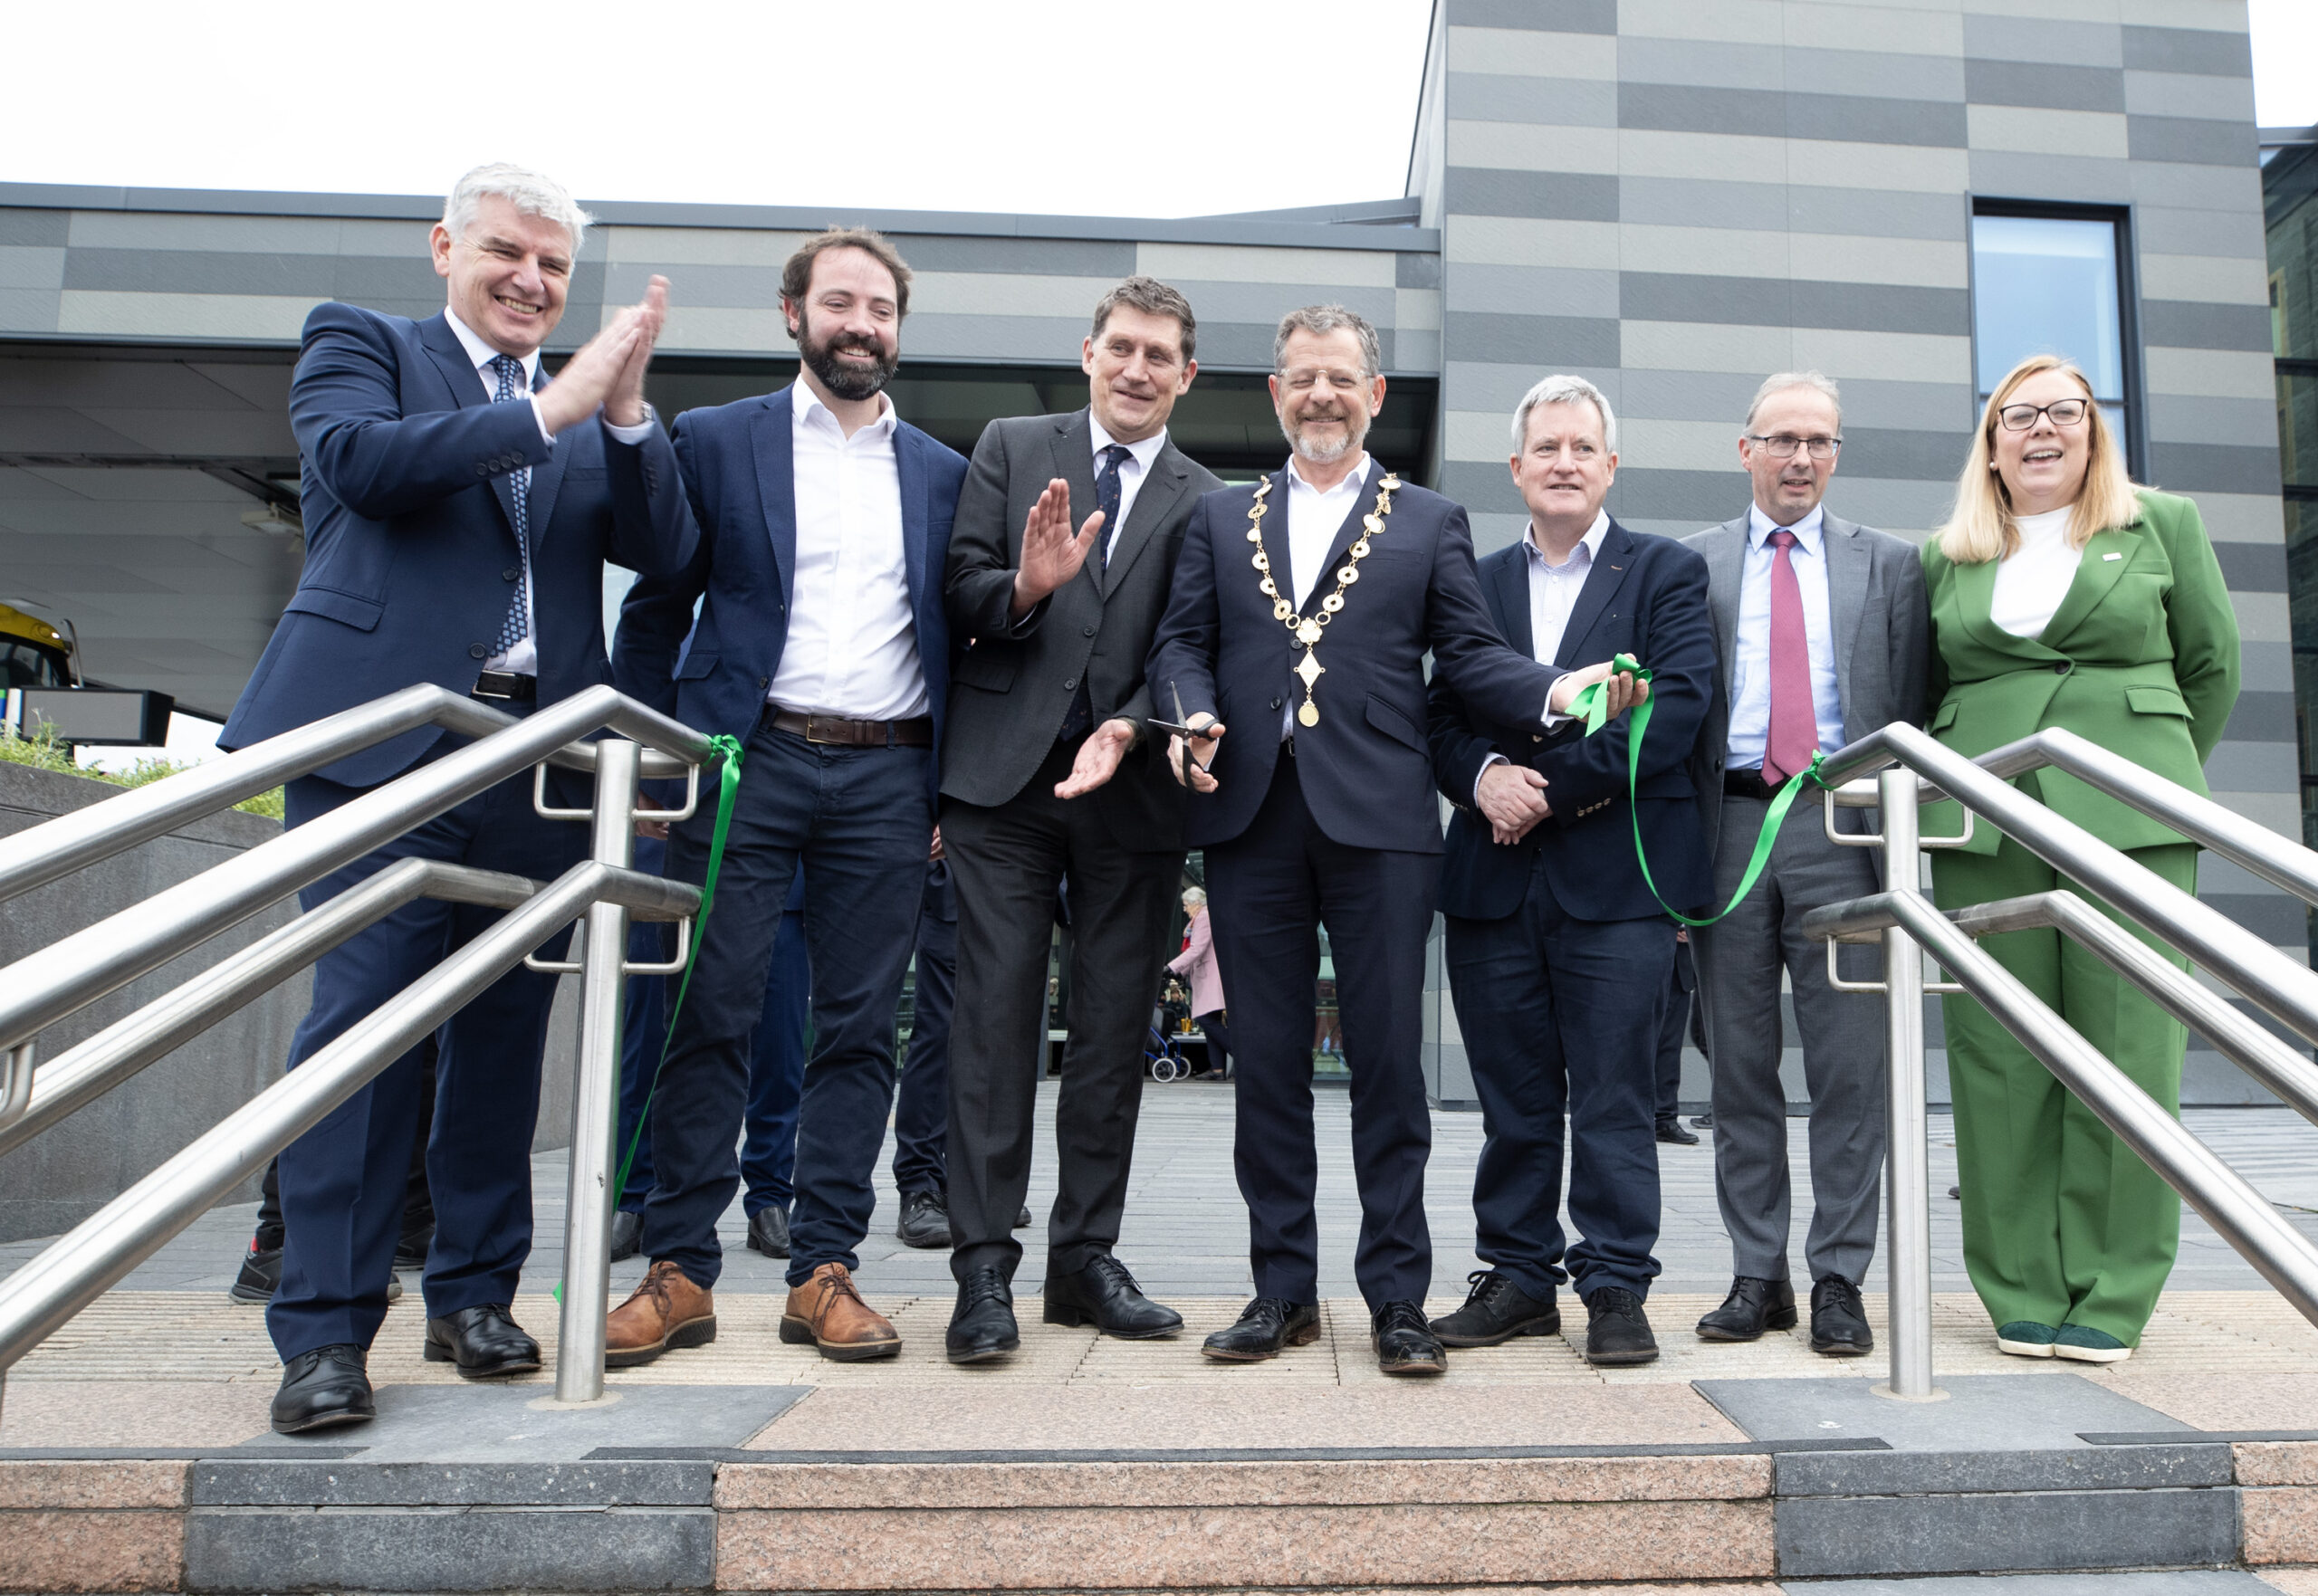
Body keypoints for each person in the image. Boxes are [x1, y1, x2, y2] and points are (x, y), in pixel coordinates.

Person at [218, 163, 694, 1433]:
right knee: (365, 1039)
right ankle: (323, 1331)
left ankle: (477, 1293)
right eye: (507, 252)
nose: (531, 280)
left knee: (499, 1047)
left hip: (532, 764)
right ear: (444, 246)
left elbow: (668, 548)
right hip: (384, 750)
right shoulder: (359, 345)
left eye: (551, 264)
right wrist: (552, 413)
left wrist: (628, 413)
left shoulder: (588, 408)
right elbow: (364, 467)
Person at [1147, 311, 1637, 1379]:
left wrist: (1557, 688)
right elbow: (1183, 639)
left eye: (1343, 378)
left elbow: (1465, 653)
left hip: (1380, 822)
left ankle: (1396, 1299)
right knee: (1265, 1068)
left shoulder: (1428, 520)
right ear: (1277, 391)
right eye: (1303, 378)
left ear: (1374, 393)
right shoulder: (1216, 514)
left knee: (1386, 1072)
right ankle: (1281, 1291)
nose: (1321, 395)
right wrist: (1186, 712)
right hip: (1250, 818)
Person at [607, 226, 966, 1365]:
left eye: (882, 309)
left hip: (890, 771)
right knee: (708, 1004)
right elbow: (656, 610)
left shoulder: (945, 474)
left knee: (861, 1026)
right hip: (739, 757)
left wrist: (952, 787)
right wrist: (647, 759)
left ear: (899, 330)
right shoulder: (716, 440)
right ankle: (679, 1268)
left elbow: (966, 638)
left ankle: (824, 1267)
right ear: (793, 313)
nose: (862, 324)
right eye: (841, 302)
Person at [1921, 353, 2238, 1363]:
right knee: (1997, 1056)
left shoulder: (2162, 524)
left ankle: (2112, 1290)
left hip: (2129, 821)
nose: (2041, 430)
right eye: (2018, 416)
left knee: (2129, 1053)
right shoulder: (1949, 553)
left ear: (2093, 429)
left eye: (2064, 411)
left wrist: (2152, 767)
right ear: (1992, 443)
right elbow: (1925, 682)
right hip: (1985, 821)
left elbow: (2210, 664)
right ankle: (2018, 1281)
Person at [937, 277, 1221, 1362]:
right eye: (1122, 349)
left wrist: (1149, 724)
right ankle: (982, 1266)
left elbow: (1193, 640)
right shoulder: (1013, 446)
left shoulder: (1209, 496)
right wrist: (1024, 583)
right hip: (1003, 790)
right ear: (1089, 354)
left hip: (1135, 793)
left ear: (1186, 375)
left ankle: (1082, 1258)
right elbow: (957, 589)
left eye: (1160, 355)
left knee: (1111, 1035)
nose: (1138, 370)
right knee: (994, 1026)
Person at [1423, 374, 1713, 1369]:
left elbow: (1668, 715)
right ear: (1515, 468)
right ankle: (1515, 1276)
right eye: (1545, 448)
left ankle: (1615, 1284)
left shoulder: (1664, 573)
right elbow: (1438, 715)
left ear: (1609, 465)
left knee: (1615, 1094)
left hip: (1616, 880)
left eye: (1581, 447)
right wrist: (1481, 776)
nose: (1562, 463)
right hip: (1491, 880)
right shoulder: (1472, 579)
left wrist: (1545, 785)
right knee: (1512, 1094)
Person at [1683, 371, 1930, 1357]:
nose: (1800, 457)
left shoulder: (1892, 567)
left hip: (1847, 826)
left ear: (1836, 453)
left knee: (1848, 1067)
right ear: (1743, 449)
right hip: (1729, 830)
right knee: (1738, 1064)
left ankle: (1839, 1275)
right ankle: (1757, 1273)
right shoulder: (1687, 564)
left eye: (1819, 441)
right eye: (1781, 438)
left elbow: (1908, 706)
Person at [1168, 886, 1228, 1076]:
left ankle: (1243, 1056)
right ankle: (1217, 1068)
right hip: (1207, 976)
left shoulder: (1204, 917)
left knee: (1204, 1018)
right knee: (1210, 1019)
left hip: (1211, 977)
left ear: (1196, 903)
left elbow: (1197, 949)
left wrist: (1172, 968)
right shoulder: (1199, 919)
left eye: (1186, 905)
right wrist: (1181, 972)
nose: (1184, 909)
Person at [1652, 935, 1700, 1146]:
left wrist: (1688, 926)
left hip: (1678, 965)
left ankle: (1665, 1119)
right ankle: (1625, 1117)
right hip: (1635, 954)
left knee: (1669, 1048)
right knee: (1627, 1045)